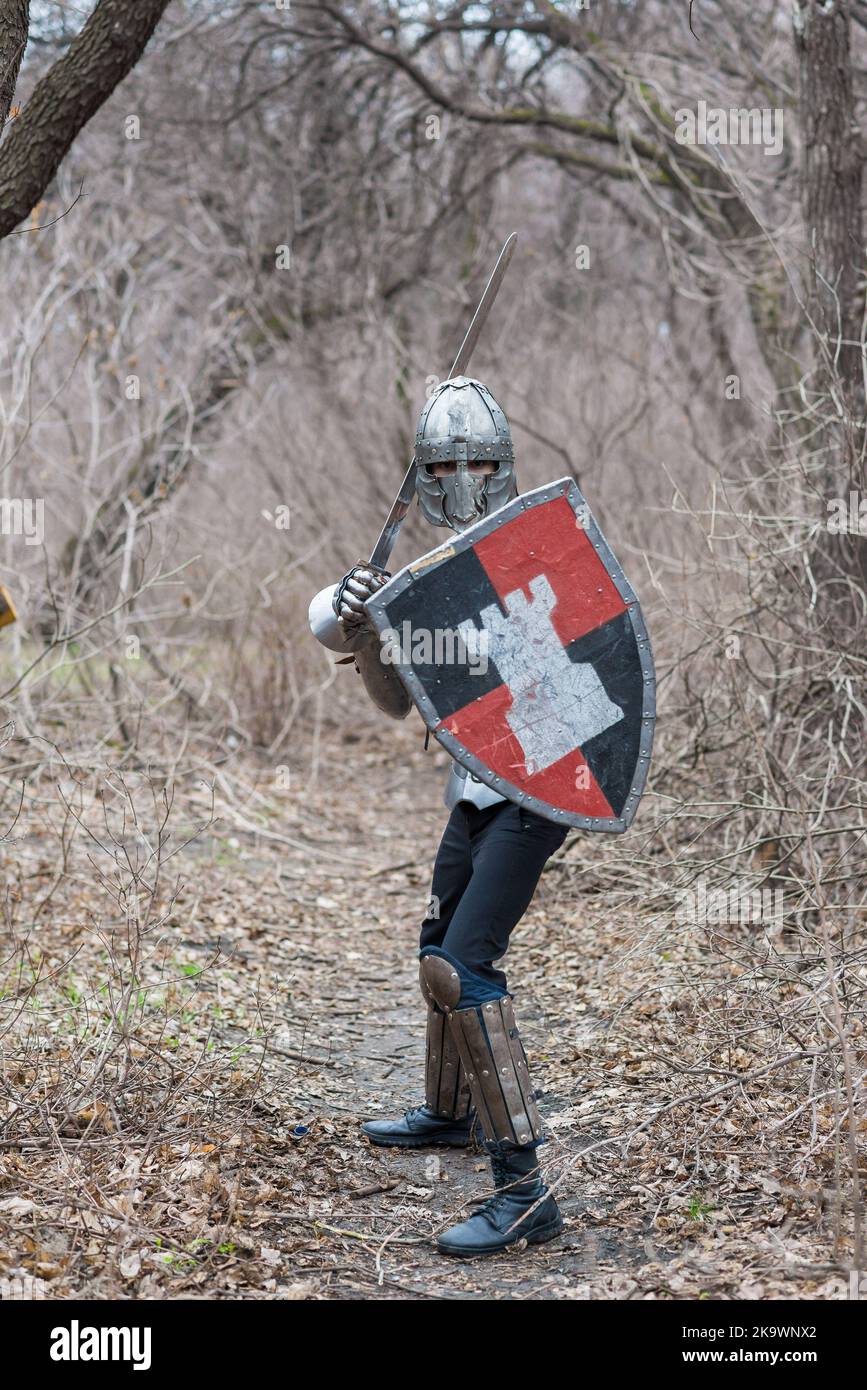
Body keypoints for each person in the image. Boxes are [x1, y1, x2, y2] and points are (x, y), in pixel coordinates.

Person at [308, 376, 568, 1257]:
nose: (464, 475)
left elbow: (550, 697)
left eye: (480, 458)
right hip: (476, 785)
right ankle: (450, 1114)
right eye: (446, 461)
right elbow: (399, 705)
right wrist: (371, 631)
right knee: (436, 947)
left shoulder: (529, 551)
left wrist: (407, 616)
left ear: (505, 463)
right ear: (422, 471)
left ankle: (524, 1191)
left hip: (535, 788)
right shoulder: (436, 575)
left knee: (466, 965)